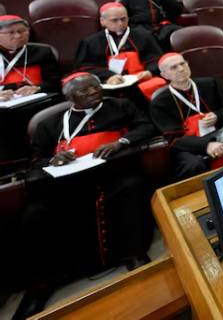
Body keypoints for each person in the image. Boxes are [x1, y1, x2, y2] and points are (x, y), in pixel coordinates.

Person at [13, 73, 156, 318]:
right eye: (85, 91)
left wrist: (121, 141)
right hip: (70, 183)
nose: (93, 93)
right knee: (34, 215)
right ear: (70, 97)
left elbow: (145, 126)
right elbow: (37, 160)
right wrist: (54, 159)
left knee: (133, 186)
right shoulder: (50, 123)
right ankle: (42, 285)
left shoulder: (120, 106)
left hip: (114, 172)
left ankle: (133, 252)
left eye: (95, 87)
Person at [149, 53, 223, 179]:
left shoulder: (210, 83)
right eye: (174, 67)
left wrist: (217, 115)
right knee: (193, 165)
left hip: (219, 134)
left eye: (183, 64)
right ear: (164, 75)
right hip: (188, 145)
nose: (181, 69)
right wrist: (206, 145)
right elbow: (173, 139)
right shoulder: (159, 102)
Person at [0, 15, 61, 163]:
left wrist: (38, 88)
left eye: (22, 31)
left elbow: (55, 82)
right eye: (11, 32)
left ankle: (40, 157)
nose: (18, 36)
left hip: (36, 103)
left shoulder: (42, 52)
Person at [119, 0, 183, 49]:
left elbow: (178, 10)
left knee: (179, 31)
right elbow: (121, 12)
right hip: (140, 26)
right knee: (142, 35)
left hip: (162, 27)